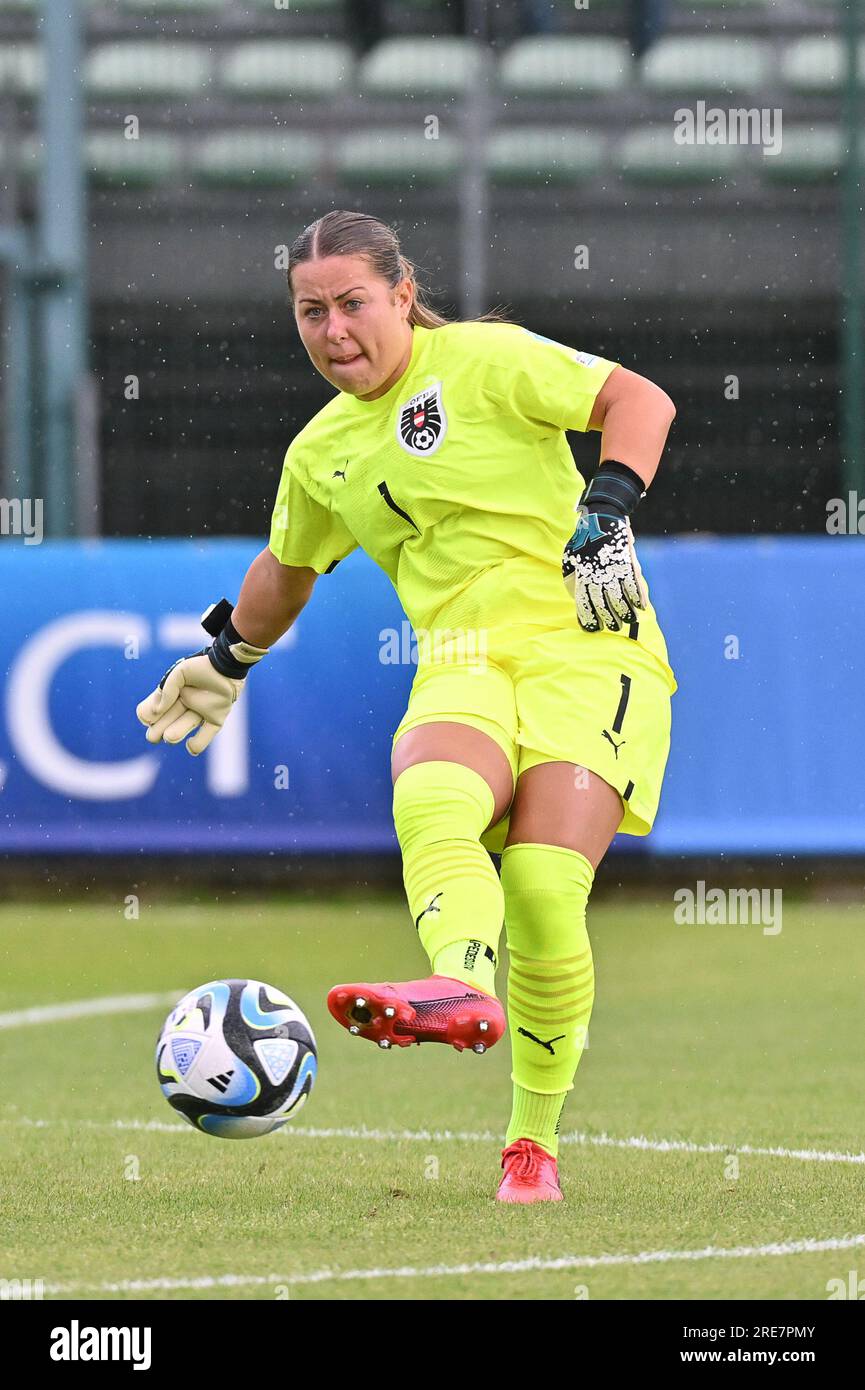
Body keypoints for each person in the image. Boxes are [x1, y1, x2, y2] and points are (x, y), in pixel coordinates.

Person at [136, 209, 677, 1205]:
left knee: (549, 894)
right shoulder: (321, 452)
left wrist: (604, 511)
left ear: (400, 292)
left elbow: (637, 399)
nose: (334, 329)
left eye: (351, 303)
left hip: (584, 644)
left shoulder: (483, 359)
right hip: (461, 659)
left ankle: (532, 1143)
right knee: (432, 794)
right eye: (310, 312)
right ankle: (461, 985)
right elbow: (286, 568)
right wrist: (227, 657)